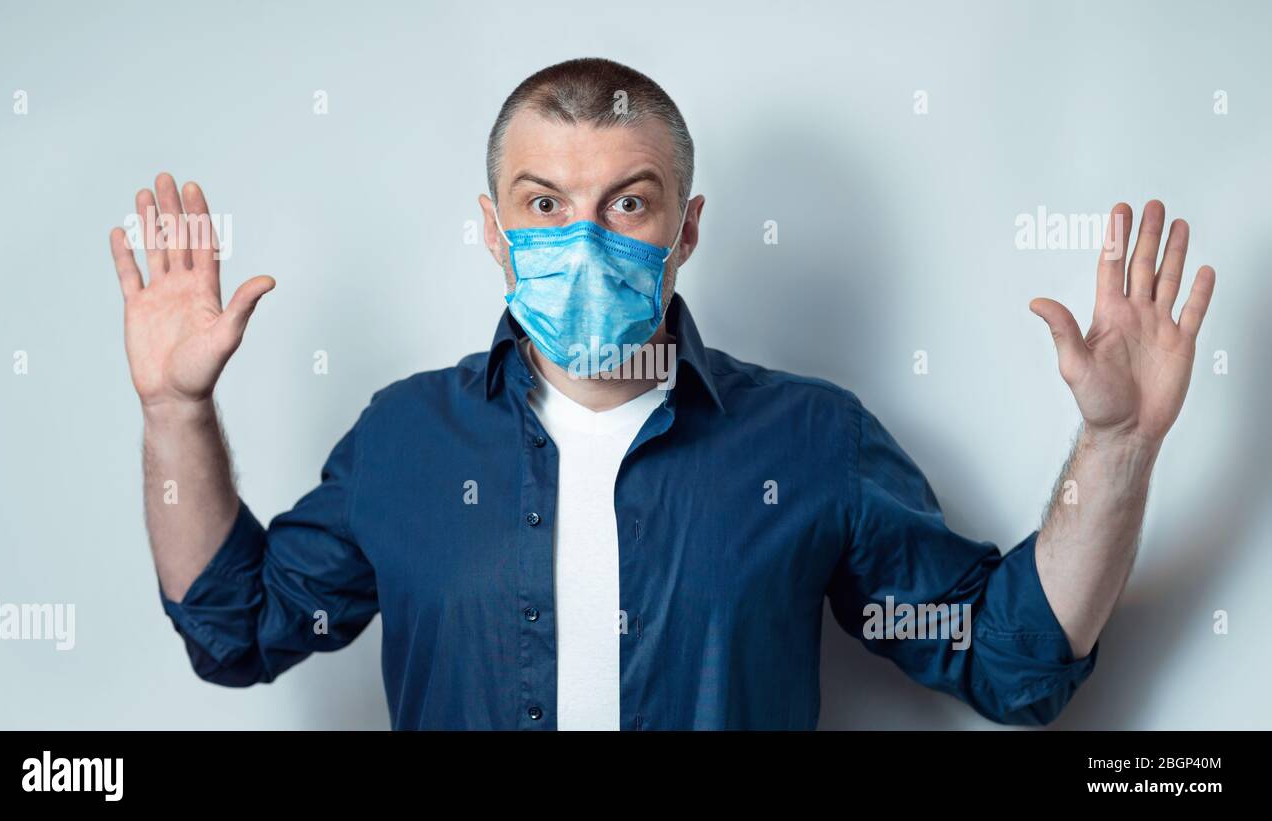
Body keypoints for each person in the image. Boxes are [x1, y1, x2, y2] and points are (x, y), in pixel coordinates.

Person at [108, 58, 1216, 730]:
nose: (581, 238)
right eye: (542, 205)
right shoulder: (403, 439)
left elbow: (1007, 658)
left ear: (686, 228)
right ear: (492, 231)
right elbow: (236, 630)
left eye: (627, 203)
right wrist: (174, 413)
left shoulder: (812, 441)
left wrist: (1114, 445)